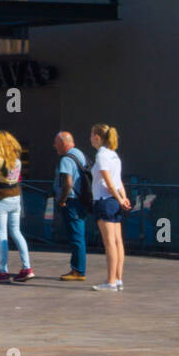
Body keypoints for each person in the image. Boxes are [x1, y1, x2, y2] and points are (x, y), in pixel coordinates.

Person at [0, 131, 33, 281]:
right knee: (16, 232)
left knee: (1, 234)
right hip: (15, 197)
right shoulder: (16, 160)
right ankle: (27, 267)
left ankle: (3, 270)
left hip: (1, 199)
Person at [89, 123, 131, 291]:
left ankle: (111, 281)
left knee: (110, 243)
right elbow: (118, 180)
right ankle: (118, 279)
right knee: (118, 241)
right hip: (113, 201)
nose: (90, 138)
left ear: (97, 137)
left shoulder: (102, 155)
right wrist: (123, 197)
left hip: (104, 201)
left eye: (91, 135)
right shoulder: (114, 155)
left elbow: (108, 181)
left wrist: (120, 198)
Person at [54, 131, 90, 281]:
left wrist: (62, 199)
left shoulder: (66, 159)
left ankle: (78, 270)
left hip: (72, 201)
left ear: (63, 143)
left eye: (56, 143)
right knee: (79, 235)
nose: (54, 146)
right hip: (81, 200)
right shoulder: (79, 154)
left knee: (76, 236)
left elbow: (68, 182)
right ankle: (78, 268)